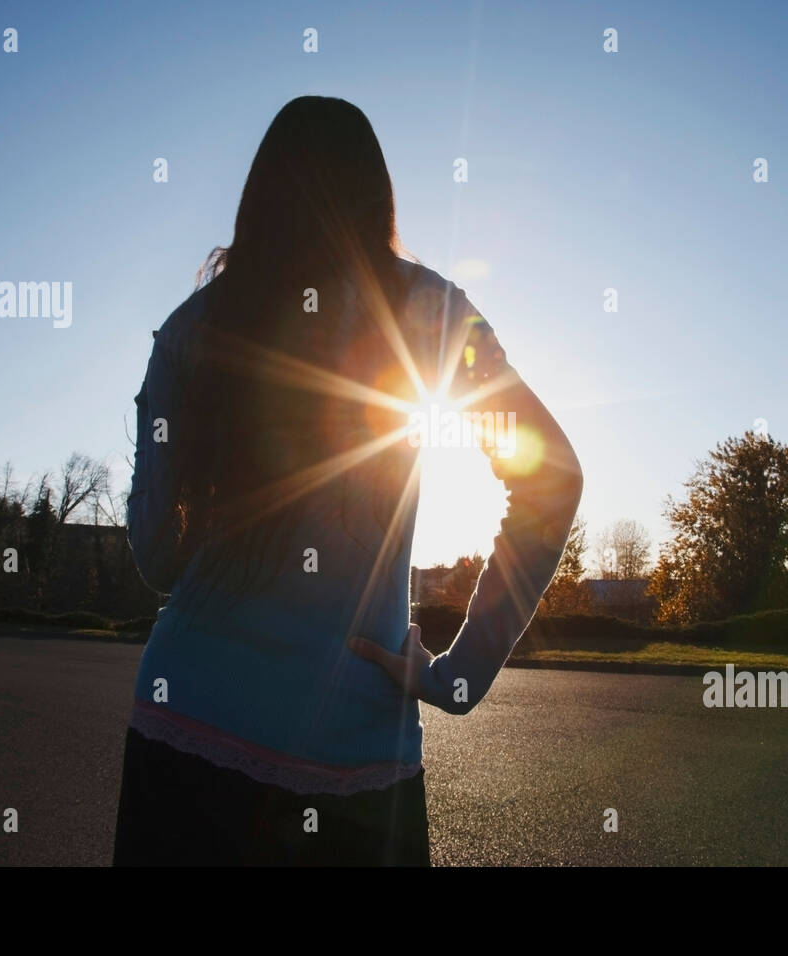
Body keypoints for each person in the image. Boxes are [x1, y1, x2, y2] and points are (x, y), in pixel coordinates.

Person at [112, 96, 583, 866]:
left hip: (185, 724)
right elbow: (551, 479)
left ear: (257, 193)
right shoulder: (430, 314)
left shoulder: (192, 329)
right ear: (378, 196)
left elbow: (157, 558)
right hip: (352, 748)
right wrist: (456, 674)